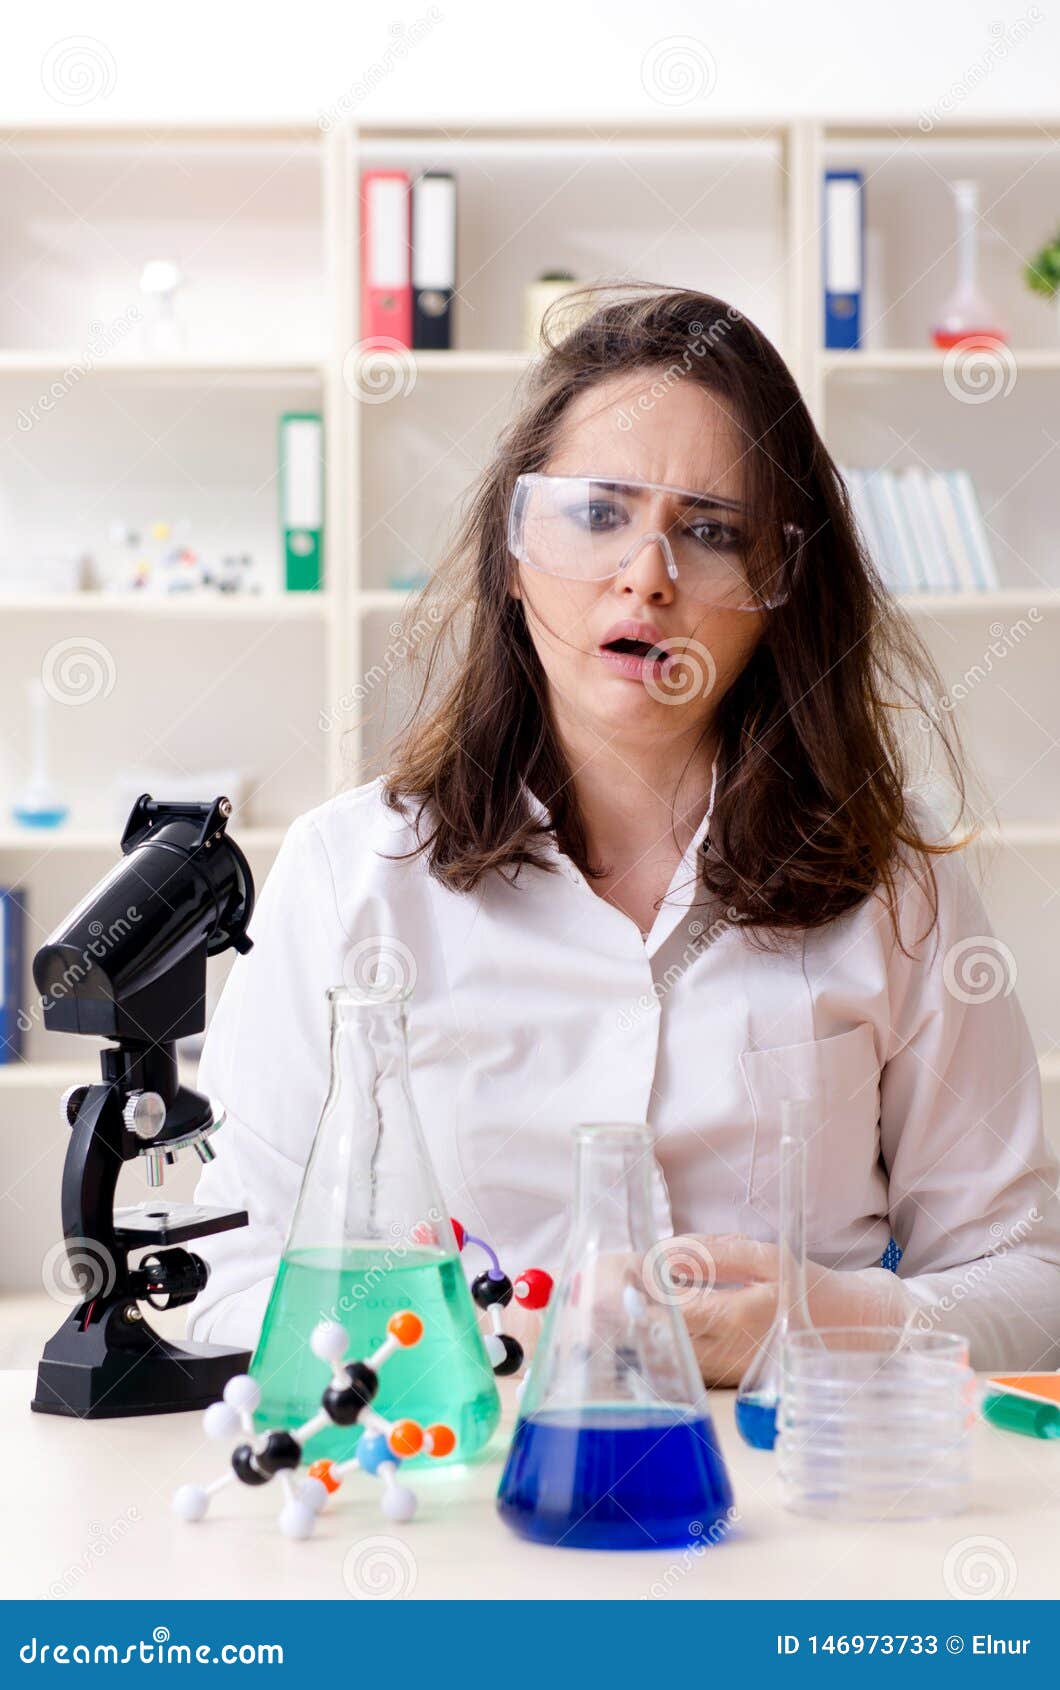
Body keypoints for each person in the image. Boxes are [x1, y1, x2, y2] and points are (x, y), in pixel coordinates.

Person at [187, 284, 1060, 1379]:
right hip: (460, 1500)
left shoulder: (892, 885)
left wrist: (820, 1319)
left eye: (710, 531)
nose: (647, 574)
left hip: (800, 1507)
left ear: (777, 586)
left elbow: (1029, 1284)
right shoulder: (346, 872)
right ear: (513, 553)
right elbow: (226, 1285)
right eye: (598, 514)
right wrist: (489, 1347)